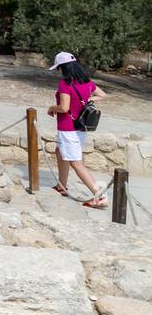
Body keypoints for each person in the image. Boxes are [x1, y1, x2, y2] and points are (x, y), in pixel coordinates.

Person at [46, 51, 108, 209]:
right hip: (81, 127)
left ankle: (99, 195)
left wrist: (51, 108)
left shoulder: (65, 84)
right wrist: (89, 99)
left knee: (75, 162)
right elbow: (102, 95)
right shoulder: (87, 82)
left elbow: (64, 107)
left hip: (68, 128)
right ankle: (62, 185)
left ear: (63, 68)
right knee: (60, 152)